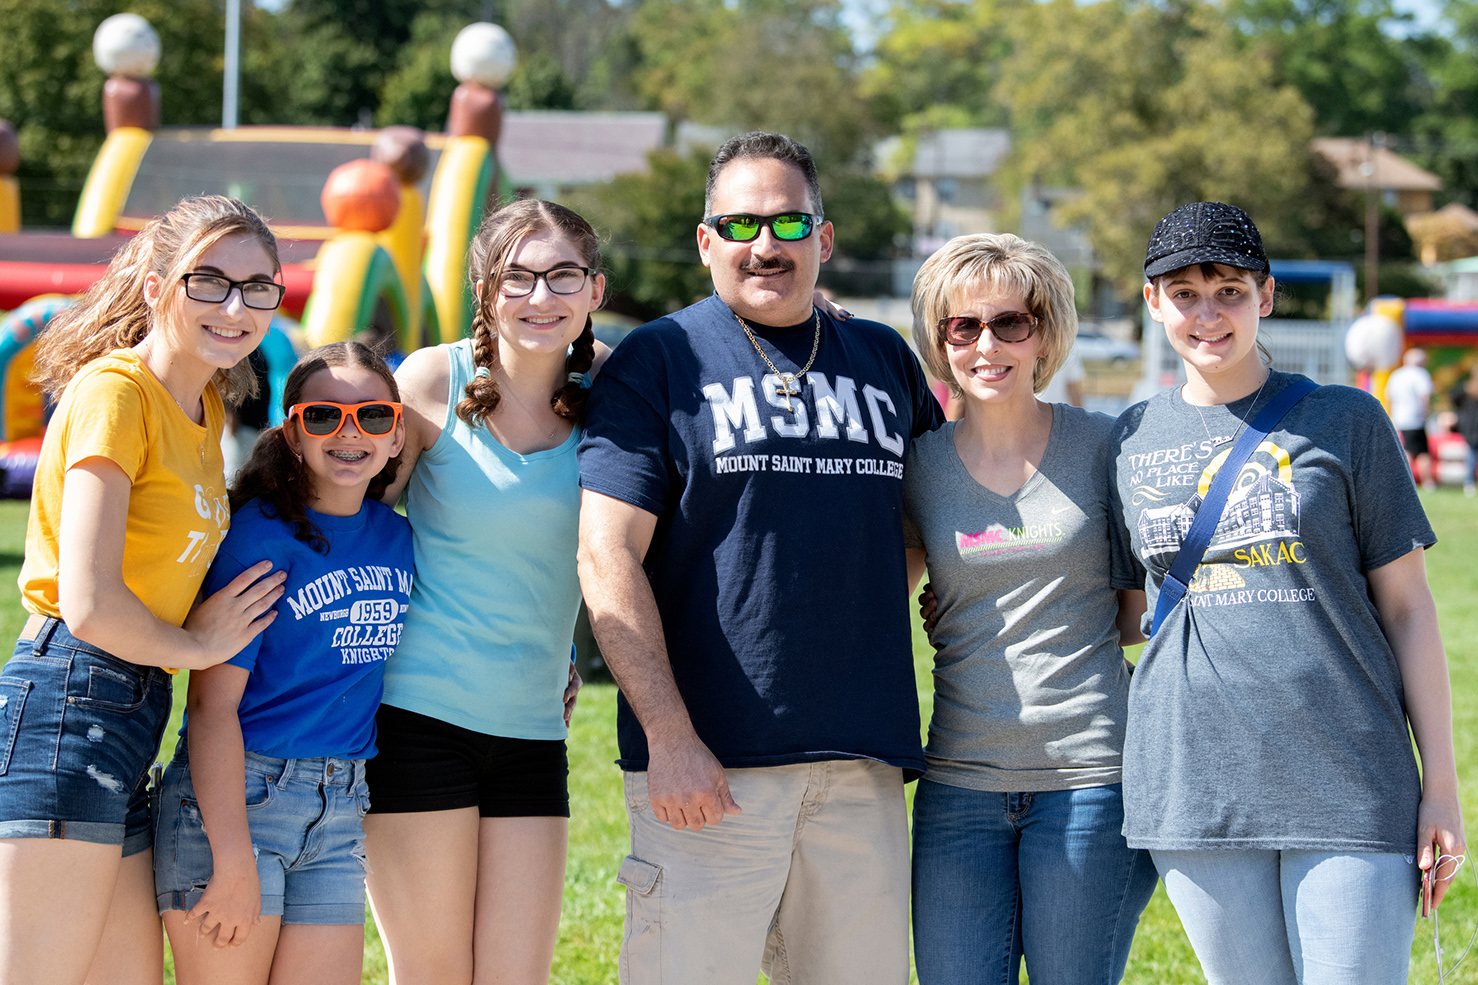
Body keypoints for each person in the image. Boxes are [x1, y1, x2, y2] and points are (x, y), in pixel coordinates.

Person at [577, 131, 943, 984]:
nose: (765, 245)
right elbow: (605, 554)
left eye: (788, 222)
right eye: (740, 223)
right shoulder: (657, 360)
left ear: (825, 237)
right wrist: (670, 736)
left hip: (861, 763)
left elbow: (925, 517)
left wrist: (853, 609)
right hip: (708, 768)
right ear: (705, 240)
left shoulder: (884, 356)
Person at [1110, 201, 1465, 984]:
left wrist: (1440, 787)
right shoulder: (1128, 439)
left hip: (1349, 776)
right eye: (1184, 293)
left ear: (1266, 295)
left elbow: (1408, 609)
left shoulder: (1345, 420)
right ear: (1152, 300)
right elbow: (1124, 610)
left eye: (1229, 291)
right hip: (1192, 783)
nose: (1208, 314)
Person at [0, 195, 288, 985]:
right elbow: (90, 599)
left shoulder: (206, 413)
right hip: (70, 696)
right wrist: (199, 645)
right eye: (210, 282)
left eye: (259, 286)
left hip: (131, 706)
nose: (236, 307)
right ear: (158, 287)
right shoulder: (117, 393)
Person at [904, 233, 1158, 985]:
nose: (988, 343)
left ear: (1044, 332)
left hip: (1091, 782)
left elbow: (1136, 607)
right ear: (940, 339)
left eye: (1011, 322)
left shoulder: (1106, 447)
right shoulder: (917, 465)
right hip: (957, 784)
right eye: (964, 326)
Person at [362, 199, 599, 985]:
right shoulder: (432, 379)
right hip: (415, 719)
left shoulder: (615, 401)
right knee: (431, 974)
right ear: (484, 288)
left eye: (562, 274)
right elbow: (359, 527)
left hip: (534, 729)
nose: (540, 297)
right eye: (518, 276)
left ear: (594, 290)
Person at [154, 342, 411, 985]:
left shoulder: (397, 536)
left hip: (342, 804)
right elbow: (212, 710)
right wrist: (233, 859)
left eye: (373, 416)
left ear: (396, 432)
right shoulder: (259, 537)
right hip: (241, 800)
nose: (350, 432)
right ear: (294, 433)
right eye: (325, 416)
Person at [1387, 347, 1436, 489]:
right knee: (1418, 451)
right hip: (1415, 419)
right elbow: (1424, 397)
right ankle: (1423, 481)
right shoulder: (1420, 374)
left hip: (1399, 418)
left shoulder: (1396, 375)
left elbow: (1389, 397)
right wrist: (1425, 413)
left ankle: (1407, 480)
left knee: (1408, 448)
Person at [1450, 367, 1478, 497]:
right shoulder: (1467, 389)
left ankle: (1469, 483)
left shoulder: (1466, 388)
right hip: (1472, 427)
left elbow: (1455, 401)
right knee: (1471, 456)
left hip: (1470, 427)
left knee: (1471, 457)